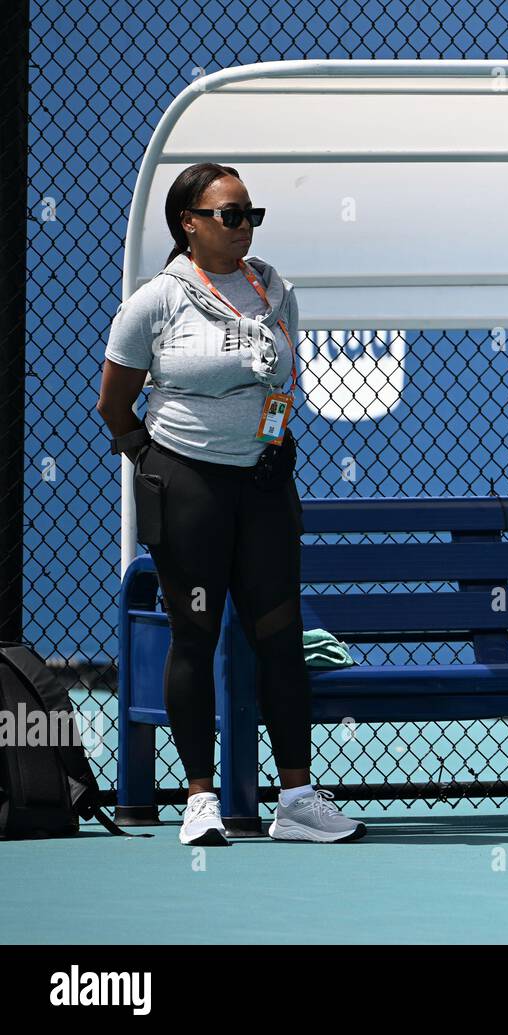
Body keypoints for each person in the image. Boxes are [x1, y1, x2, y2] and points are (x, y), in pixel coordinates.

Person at [96, 163, 365, 846]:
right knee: (196, 632)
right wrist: (157, 462)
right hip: (187, 488)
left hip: (264, 487)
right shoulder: (156, 301)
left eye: (250, 214)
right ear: (189, 222)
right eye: (229, 214)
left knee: (280, 635)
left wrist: (274, 445)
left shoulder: (275, 290)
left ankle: (297, 799)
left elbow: (282, 382)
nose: (243, 225)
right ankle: (199, 798)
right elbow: (114, 404)